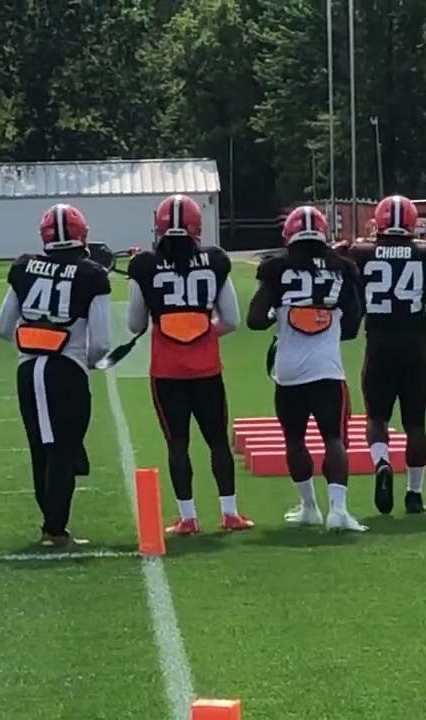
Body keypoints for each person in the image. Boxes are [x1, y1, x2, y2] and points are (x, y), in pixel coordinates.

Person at [127, 194, 251, 536]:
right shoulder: (215, 260)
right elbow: (232, 320)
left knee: (177, 443)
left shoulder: (144, 265)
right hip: (207, 368)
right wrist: (201, 332)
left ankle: (188, 517)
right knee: (217, 441)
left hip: (166, 371)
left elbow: (135, 324)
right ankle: (229, 513)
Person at [0, 204, 112, 547]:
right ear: (83, 235)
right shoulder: (91, 274)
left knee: (42, 450)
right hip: (66, 369)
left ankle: (51, 525)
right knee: (63, 450)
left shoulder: (24, 266)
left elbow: (4, 328)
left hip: (28, 368)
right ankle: (55, 529)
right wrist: (86, 360)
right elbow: (102, 341)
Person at [248, 205, 363, 531]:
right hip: (328, 370)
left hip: (289, 372)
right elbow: (353, 327)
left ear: (289, 235)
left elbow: (255, 319)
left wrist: (280, 314)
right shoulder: (343, 268)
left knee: (295, 440)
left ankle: (309, 506)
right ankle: (338, 511)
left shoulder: (277, 268)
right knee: (335, 439)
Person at [343, 195, 426, 515]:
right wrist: (425, 323)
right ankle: (415, 494)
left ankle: (381, 462)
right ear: (412, 223)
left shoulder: (361, 254)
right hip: (414, 346)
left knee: (377, 418)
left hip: (378, 344)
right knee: (415, 424)